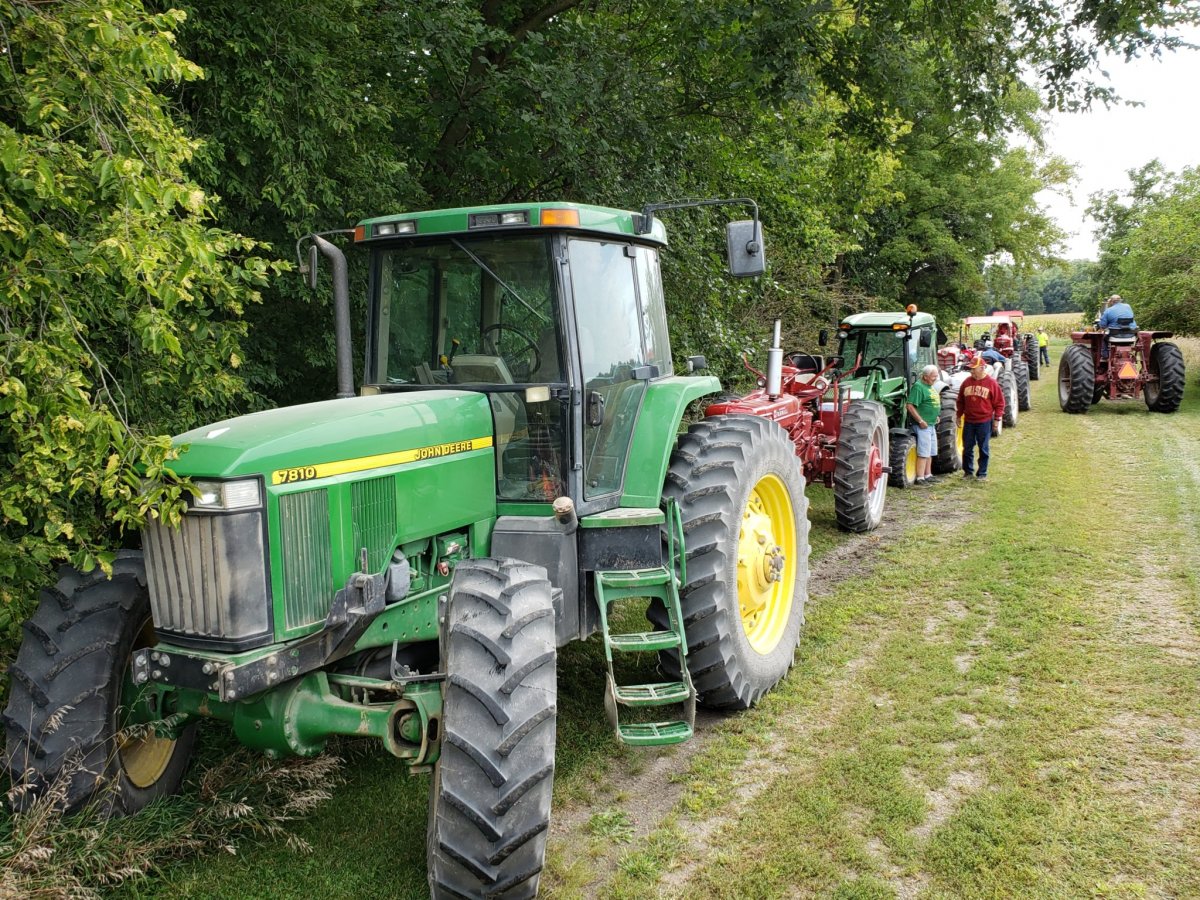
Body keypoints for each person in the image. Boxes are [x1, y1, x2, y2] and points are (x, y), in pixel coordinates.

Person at [956, 356, 1005, 480]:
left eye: (974, 369)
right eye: (971, 369)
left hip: (984, 421)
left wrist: (997, 419)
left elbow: (999, 403)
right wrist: (958, 415)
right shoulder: (966, 382)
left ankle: (982, 473)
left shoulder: (991, 383)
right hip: (969, 421)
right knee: (967, 448)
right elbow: (960, 401)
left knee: (983, 448)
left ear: (982, 368)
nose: (971, 371)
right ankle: (968, 472)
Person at [906, 364, 941, 485]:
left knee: (930, 452)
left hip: (931, 424)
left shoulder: (930, 386)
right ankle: (920, 477)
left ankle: (928, 474)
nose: (935, 378)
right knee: (923, 452)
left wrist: (935, 416)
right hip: (923, 426)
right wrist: (920, 421)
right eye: (933, 376)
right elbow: (910, 405)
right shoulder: (918, 387)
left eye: (936, 376)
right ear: (925, 377)